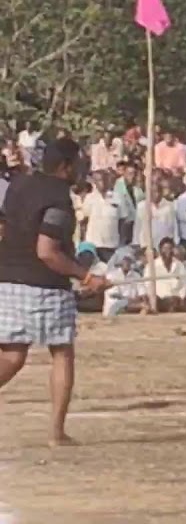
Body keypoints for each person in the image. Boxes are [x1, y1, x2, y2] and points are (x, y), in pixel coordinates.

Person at [0, 137, 110, 447]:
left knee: (11, 355)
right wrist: (86, 275)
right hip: (44, 285)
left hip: (7, 279)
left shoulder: (18, 185)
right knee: (61, 351)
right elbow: (47, 251)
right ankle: (56, 433)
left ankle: (57, 432)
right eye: (76, 163)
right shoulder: (59, 200)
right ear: (64, 166)